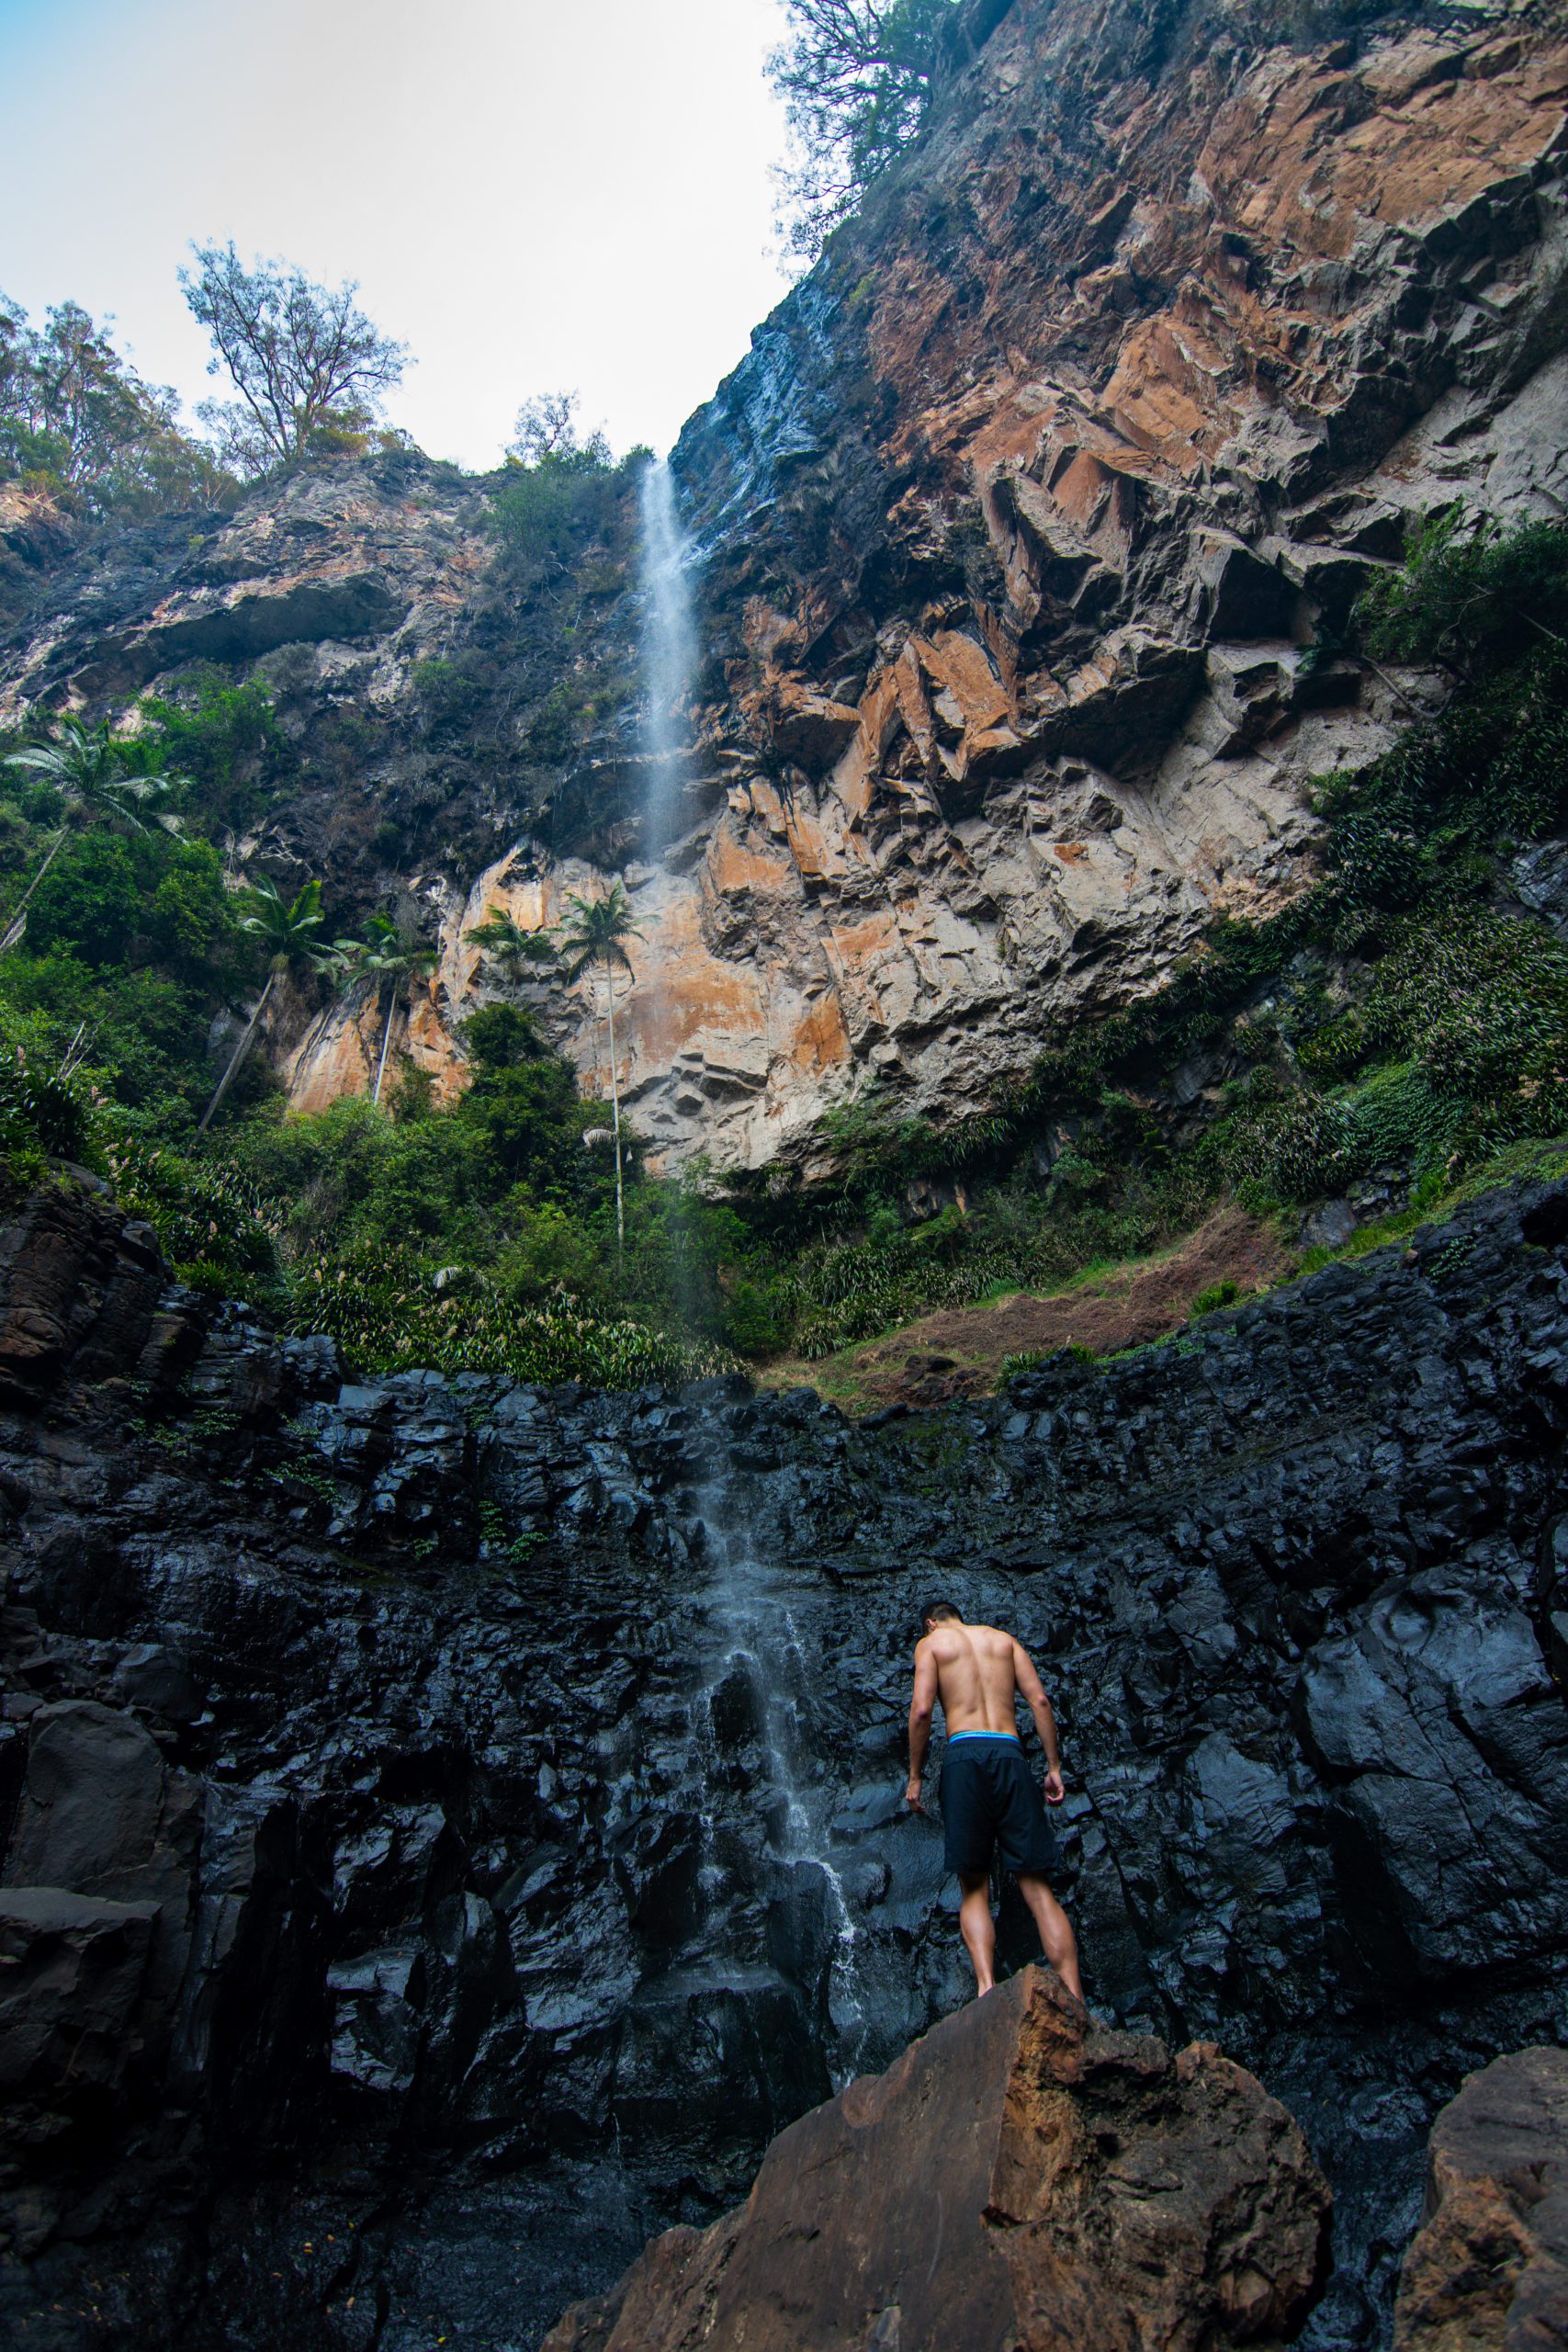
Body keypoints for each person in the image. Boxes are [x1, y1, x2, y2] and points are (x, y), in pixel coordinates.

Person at [905, 1601, 1082, 2003]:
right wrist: (1053, 1766)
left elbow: (920, 1711)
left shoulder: (932, 1644)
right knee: (1038, 1888)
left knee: (974, 1888)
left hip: (965, 1755)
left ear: (931, 1622)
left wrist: (915, 1776)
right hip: (1010, 1754)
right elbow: (1040, 1702)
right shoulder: (1004, 1641)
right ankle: (1075, 1996)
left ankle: (986, 1990)